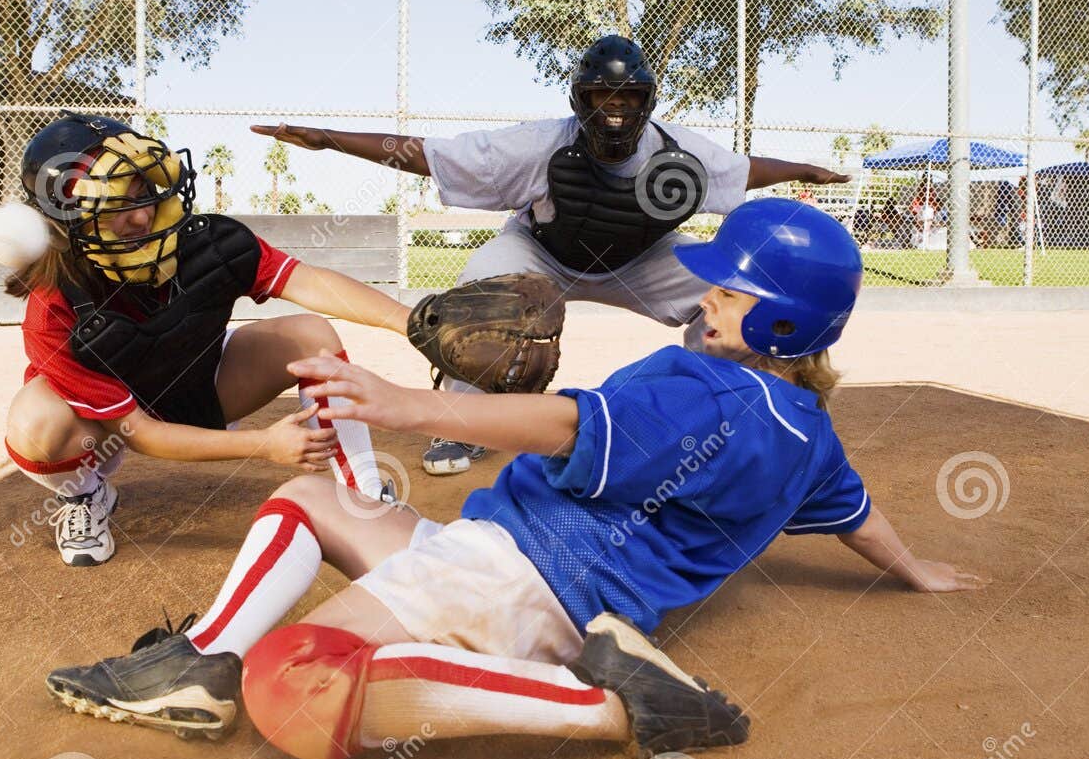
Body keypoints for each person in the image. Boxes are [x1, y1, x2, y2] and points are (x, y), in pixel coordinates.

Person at [44, 197, 987, 759]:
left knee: (294, 685)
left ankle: (609, 706)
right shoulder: (808, 432)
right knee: (308, 499)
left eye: (731, 294)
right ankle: (199, 666)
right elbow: (853, 511)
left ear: (782, 327)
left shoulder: (711, 393)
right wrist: (914, 568)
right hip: (499, 561)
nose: (707, 296)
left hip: (526, 584)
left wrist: (404, 406)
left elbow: (571, 423)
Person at [252, 35, 849, 477]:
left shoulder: (676, 149)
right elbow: (429, 155)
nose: (615, 108)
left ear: (647, 100)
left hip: (641, 259)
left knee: (721, 296)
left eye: (629, 96)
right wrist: (330, 139)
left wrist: (798, 169)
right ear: (579, 97)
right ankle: (462, 423)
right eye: (602, 94)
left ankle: (719, 411)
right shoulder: (541, 143)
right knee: (480, 291)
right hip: (543, 252)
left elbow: (740, 172)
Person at [4, 113, 411, 567]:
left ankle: (365, 493)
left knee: (311, 335)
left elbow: (308, 280)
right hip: (109, 432)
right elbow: (142, 435)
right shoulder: (53, 310)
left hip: (200, 385)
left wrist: (410, 321)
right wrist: (262, 444)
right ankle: (84, 496)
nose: (142, 216)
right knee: (35, 419)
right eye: (118, 204)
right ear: (65, 224)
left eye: (145, 194)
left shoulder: (206, 243)